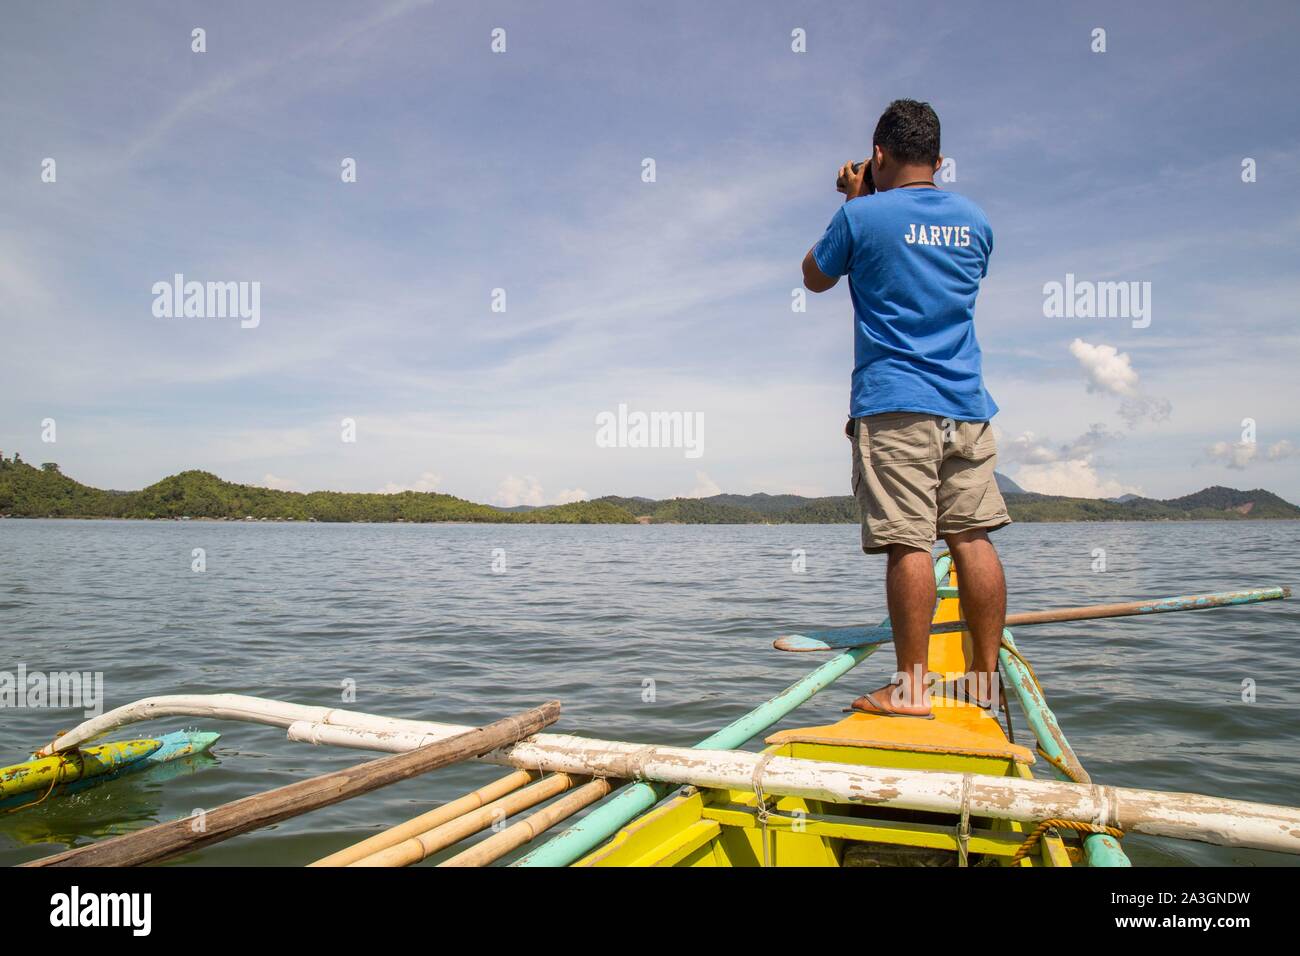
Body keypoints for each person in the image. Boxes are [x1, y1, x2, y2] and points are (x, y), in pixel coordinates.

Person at [801, 99, 1009, 719]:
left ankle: (911, 690)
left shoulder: (862, 217)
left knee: (909, 544)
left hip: (896, 404)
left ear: (879, 155)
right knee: (972, 538)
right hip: (967, 405)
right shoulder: (978, 221)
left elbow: (815, 276)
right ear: (940, 161)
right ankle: (984, 682)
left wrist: (854, 200)